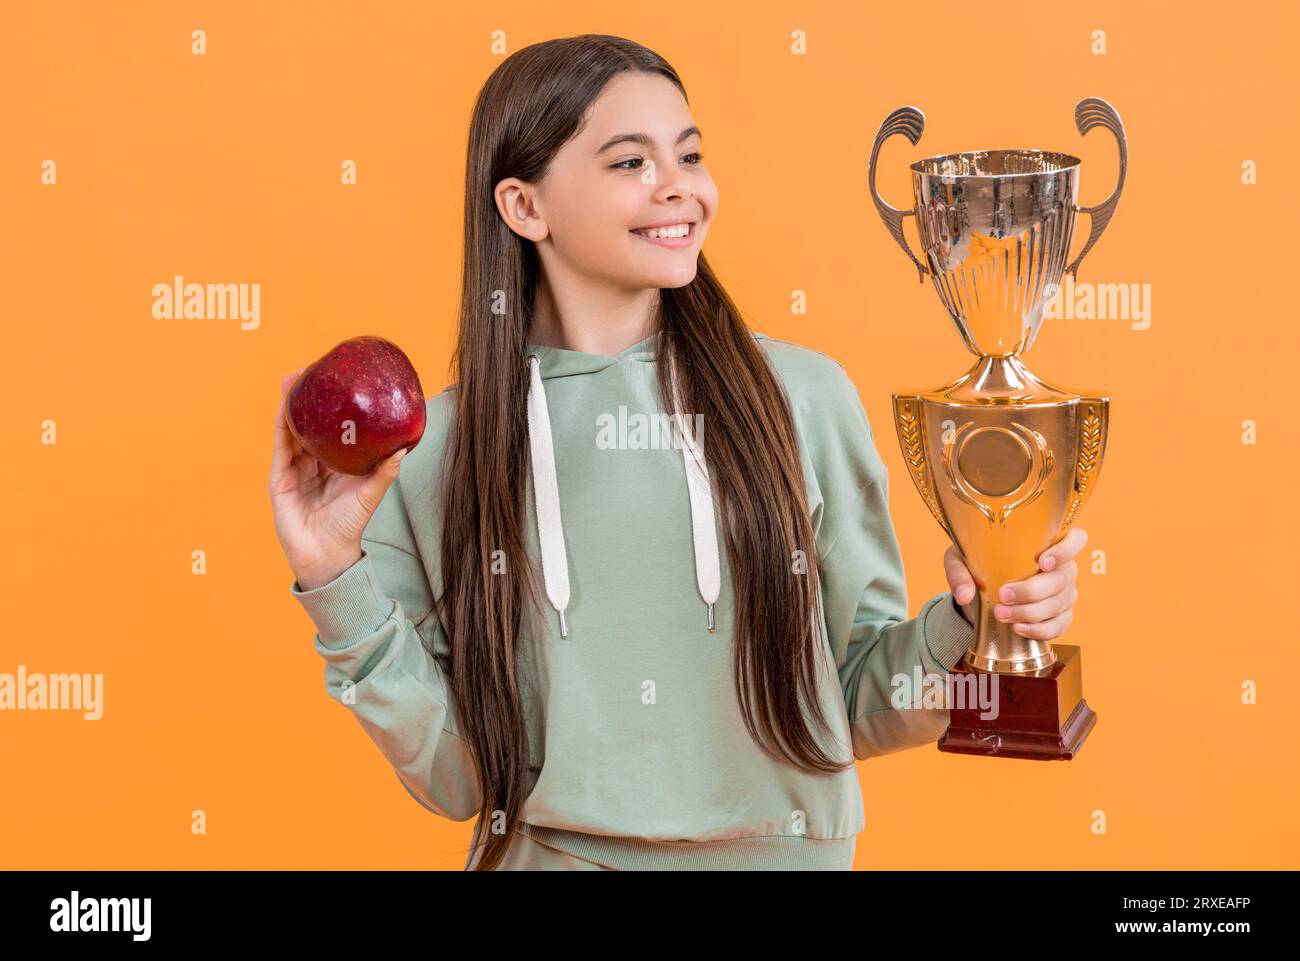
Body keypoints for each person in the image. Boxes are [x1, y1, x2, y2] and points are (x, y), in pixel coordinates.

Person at [269, 34, 1086, 871]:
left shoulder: (802, 398)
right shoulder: (437, 450)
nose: (681, 188)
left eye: (689, 154)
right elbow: (458, 776)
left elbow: (855, 699)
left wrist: (980, 618)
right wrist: (335, 578)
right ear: (523, 207)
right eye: (630, 162)